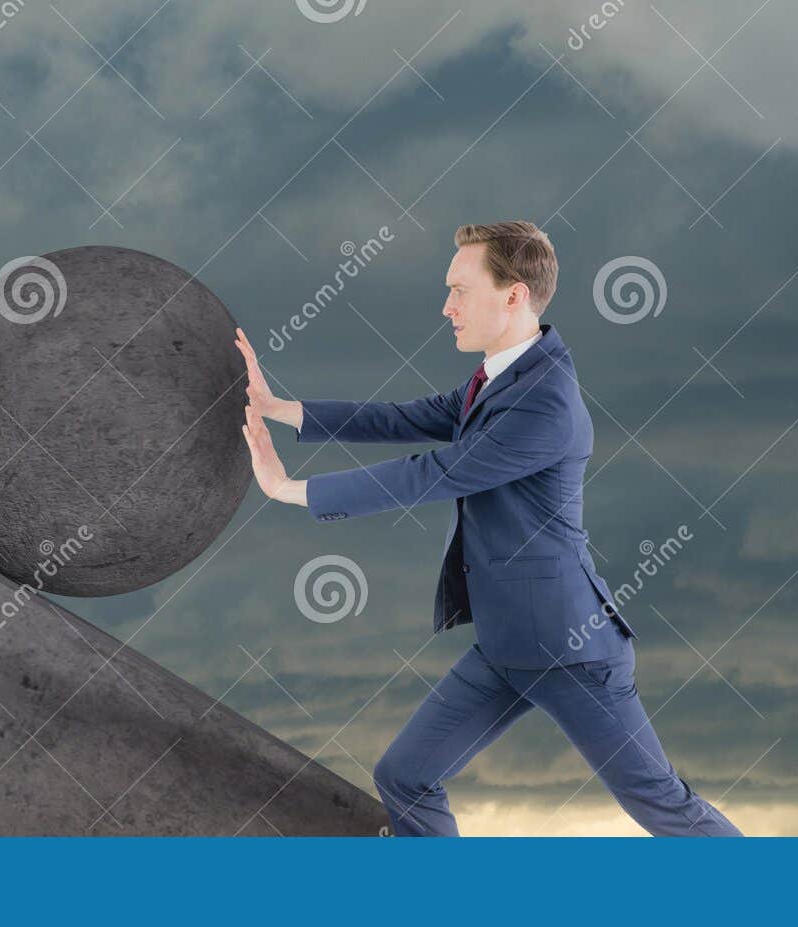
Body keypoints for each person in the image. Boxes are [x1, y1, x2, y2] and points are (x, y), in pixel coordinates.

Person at [236, 220, 740, 837]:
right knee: (405, 775)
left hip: (569, 650)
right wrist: (282, 410)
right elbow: (408, 419)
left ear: (513, 295)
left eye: (460, 290)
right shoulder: (502, 377)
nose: (446, 307)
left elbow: (437, 473)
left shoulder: (546, 402)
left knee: (661, 804)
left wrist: (291, 489)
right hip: (506, 644)